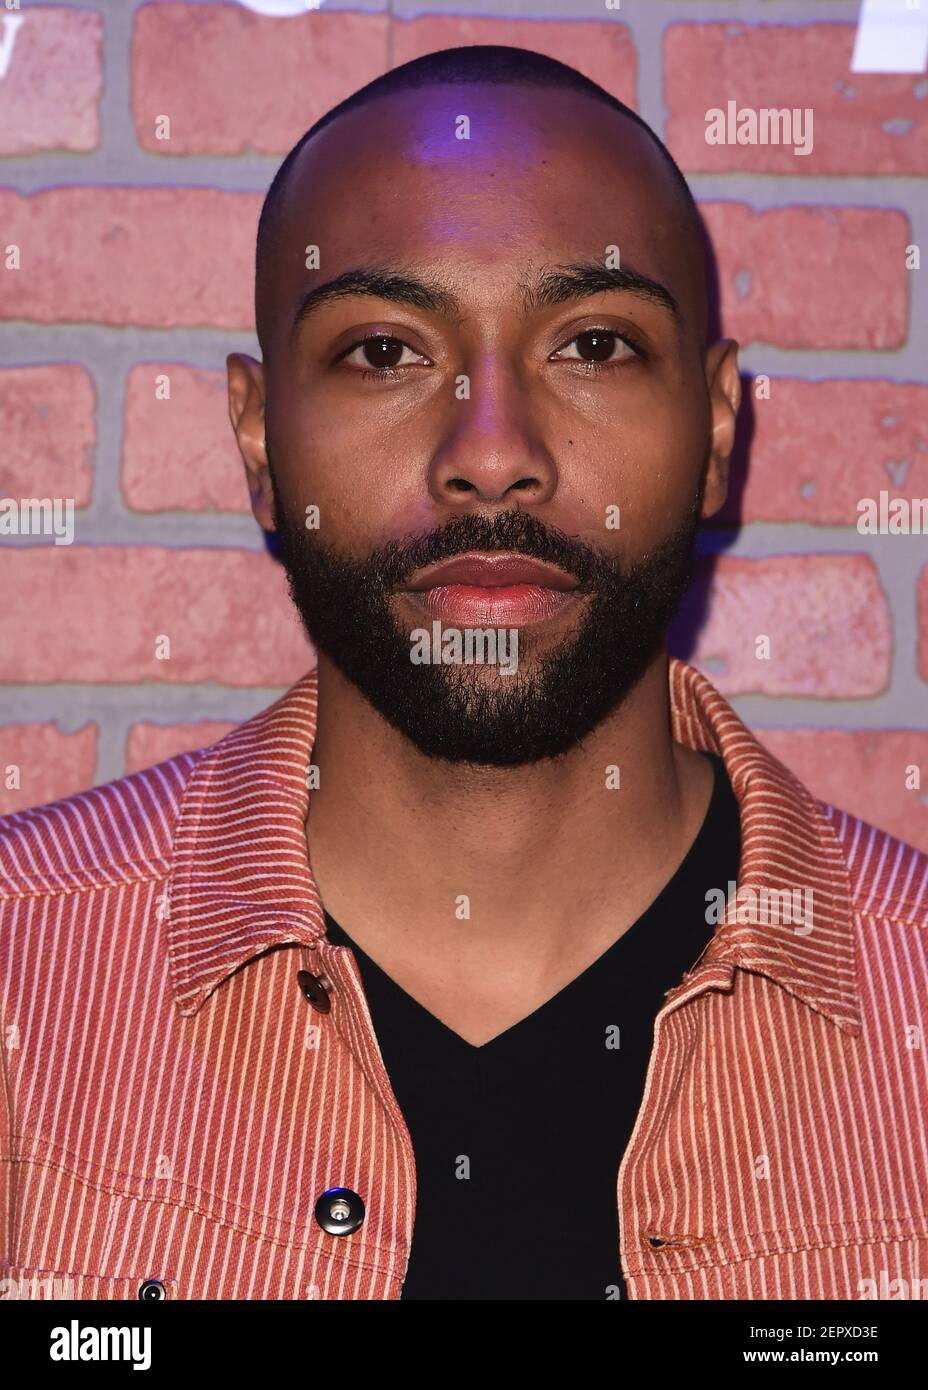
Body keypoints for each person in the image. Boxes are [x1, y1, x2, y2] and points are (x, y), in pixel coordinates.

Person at [1, 46, 925, 1302]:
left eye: (593, 344)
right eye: (383, 352)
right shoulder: (23, 973)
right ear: (259, 436)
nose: (491, 456)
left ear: (715, 431)